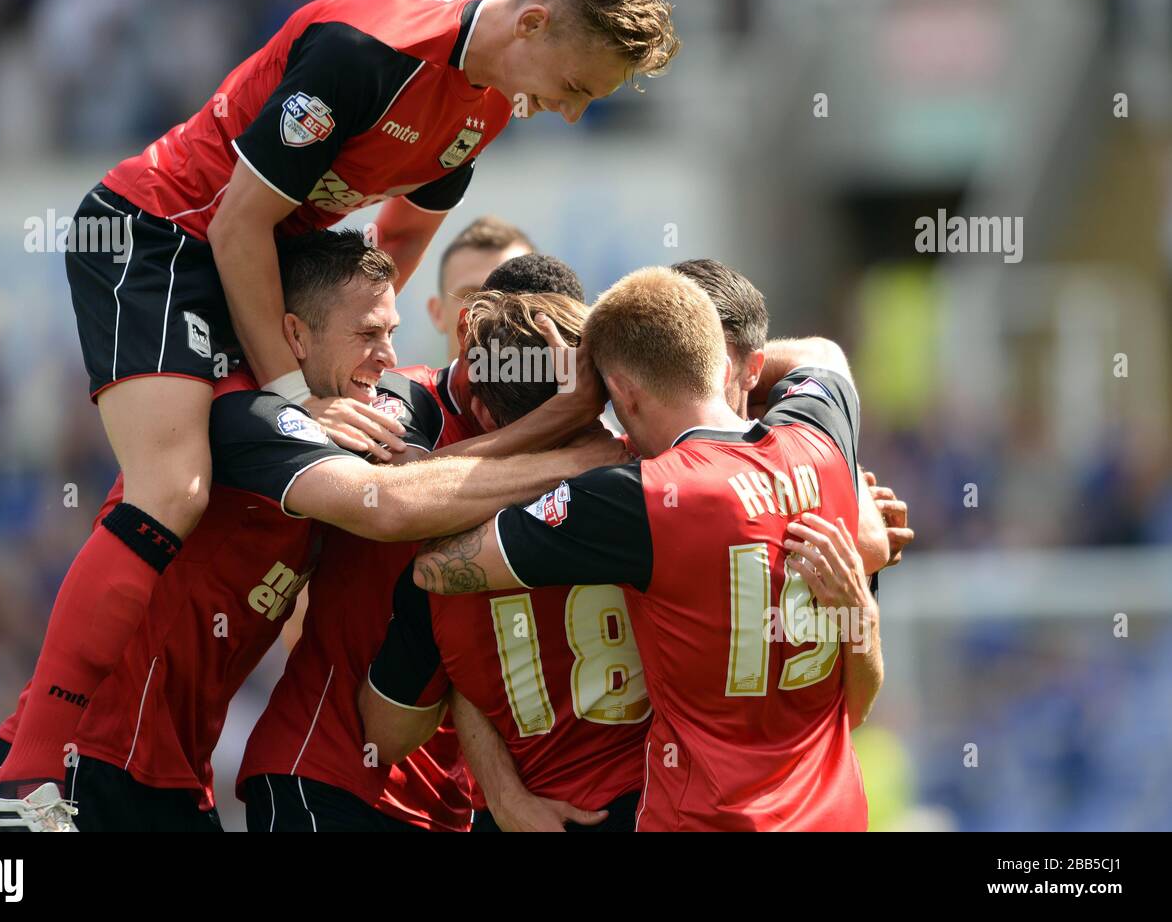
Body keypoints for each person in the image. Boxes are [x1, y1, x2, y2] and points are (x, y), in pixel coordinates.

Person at [0, 0, 678, 803]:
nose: (571, 114)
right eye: (577, 87)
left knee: (253, 504)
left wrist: (368, 378)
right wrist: (298, 397)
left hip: (267, 270)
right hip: (161, 237)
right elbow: (238, 224)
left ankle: (130, 760)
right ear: (534, 22)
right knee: (173, 488)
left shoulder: (486, 111)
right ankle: (27, 775)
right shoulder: (367, 54)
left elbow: (387, 255)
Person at [0, 231, 621, 831]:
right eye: (368, 333)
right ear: (296, 336)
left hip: (175, 773)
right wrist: (576, 452)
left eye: (390, 332)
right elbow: (386, 504)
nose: (387, 357)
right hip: (85, 760)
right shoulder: (251, 415)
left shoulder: (350, 422)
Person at [366, 260, 908, 831]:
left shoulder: (638, 500)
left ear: (617, 389)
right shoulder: (818, 445)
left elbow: (435, 572)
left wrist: (500, 791)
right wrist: (861, 598)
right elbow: (822, 355)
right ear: (729, 363)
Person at [238, 282, 595, 832]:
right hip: (329, 773)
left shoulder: (600, 460)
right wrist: (565, 441)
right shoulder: (401, 401)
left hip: (447, 800)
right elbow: (398, 495)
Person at [426, 216, 535, 362]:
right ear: (438, 313)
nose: (489, 310)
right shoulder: (400, 384)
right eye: (471, 296)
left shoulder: (570, 382)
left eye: (509, 294)